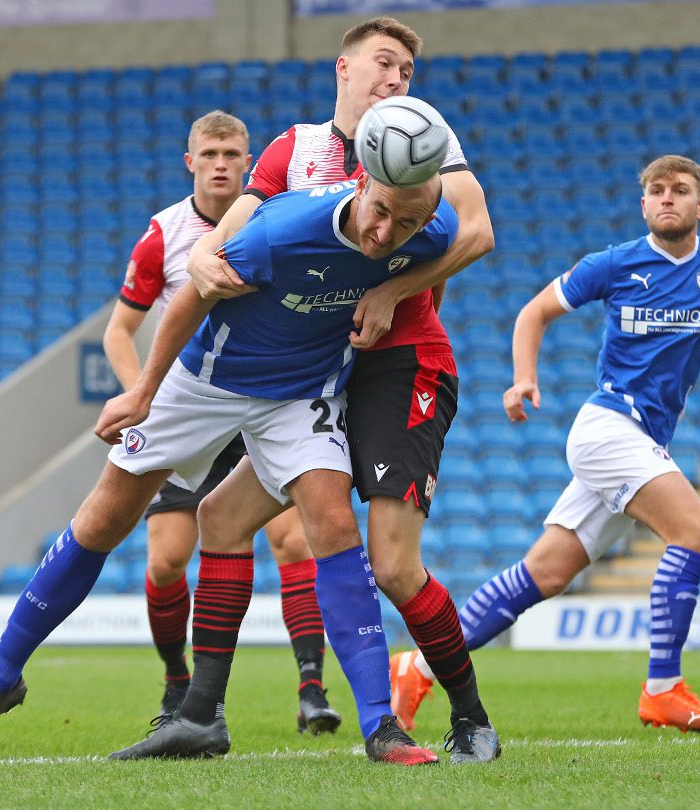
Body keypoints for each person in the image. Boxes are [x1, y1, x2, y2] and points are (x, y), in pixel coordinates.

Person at [0, 171, 455, 766]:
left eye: (405, 223)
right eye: (380, 213)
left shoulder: (429, 227)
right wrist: (142, 393)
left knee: (332, 523)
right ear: (361, 187)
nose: (386, 233)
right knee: (104, 519)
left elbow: (459, 246)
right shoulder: (280, 231)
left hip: (302, 394)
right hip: (207, 380)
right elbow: (191, 298)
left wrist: (395, 296)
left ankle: (379, 725)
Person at [388, 155, 700, 734]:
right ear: (643, 205)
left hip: (640, 437)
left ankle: (416, 667)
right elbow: (534, 312)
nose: (667, 198)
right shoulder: (616, 263)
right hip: (608, 428)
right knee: (695, 531)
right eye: (657, 190)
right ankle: (663, 689)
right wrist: (523, 379)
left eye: (680, 190)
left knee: (545, 573)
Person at [180, 16, 499, 758]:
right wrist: (201, 256)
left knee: (394, 565)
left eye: (407, 71)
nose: (396, 79)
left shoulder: (424, 140)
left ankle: (471, 717)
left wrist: (395, 291)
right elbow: (236, 229)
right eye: (385, 64)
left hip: (402, 363)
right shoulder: (296, 148)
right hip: (325, 367)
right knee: (221, 517)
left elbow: (477, 232)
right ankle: (198, 714)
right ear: (344, 68)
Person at [104, 110, 338, 731]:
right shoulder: (164, 234)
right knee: (165, 561)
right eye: (209, 154)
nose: (221, 165)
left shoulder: (276, 218)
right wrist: (143, 394)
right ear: (191, 162)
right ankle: (176, 682)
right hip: (192, 408)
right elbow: (119, 331)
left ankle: (312, 688)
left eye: (232, 154)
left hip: (260, 406)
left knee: (293, 541)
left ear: (249, 161)